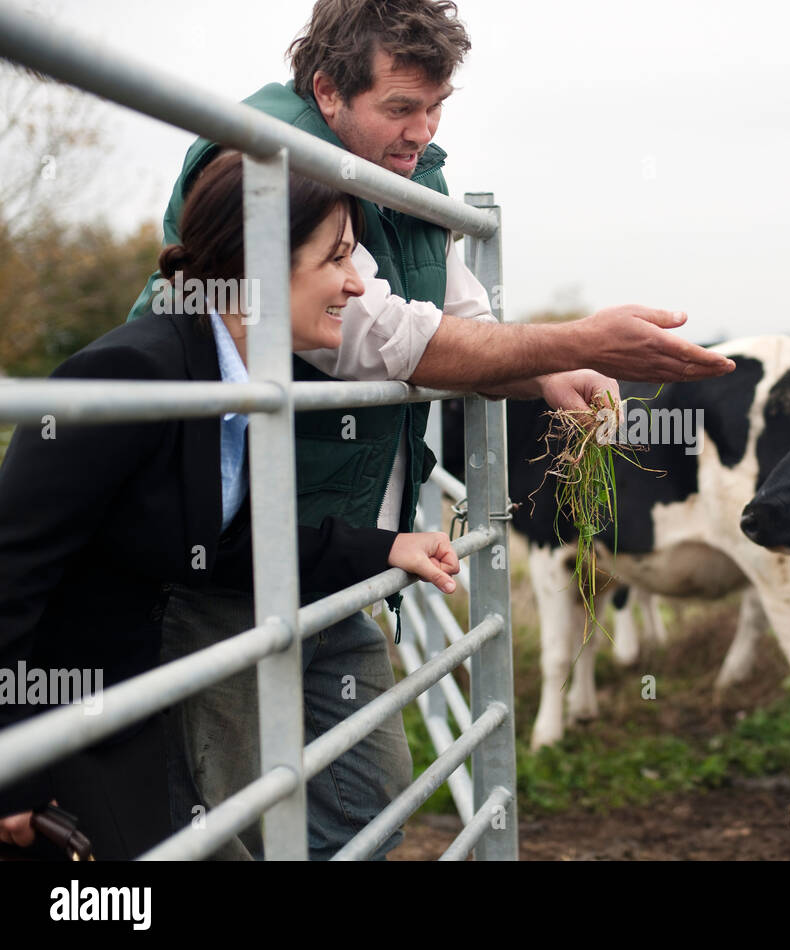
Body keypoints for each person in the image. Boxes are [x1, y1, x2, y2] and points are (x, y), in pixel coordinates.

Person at [124, 0, 736, 860]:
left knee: (366, 793)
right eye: (401, 108)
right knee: (238, 815)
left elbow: (463, 321)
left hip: (334, 548)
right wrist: (575, 336)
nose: (423, 130)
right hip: (221, 555)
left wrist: (551, 370)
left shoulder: (414, 178)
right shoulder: (265, 163)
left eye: (437, 105)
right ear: (329, 90)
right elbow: (367, 337)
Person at [0, 151, 462, 860]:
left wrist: (383, 547)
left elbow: (225, 541)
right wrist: (15, 772)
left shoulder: (238, 377)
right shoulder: (135, 373)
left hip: (133, 708)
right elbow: (10, 572)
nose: (355, 282)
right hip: (68, 722)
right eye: (337, 258)